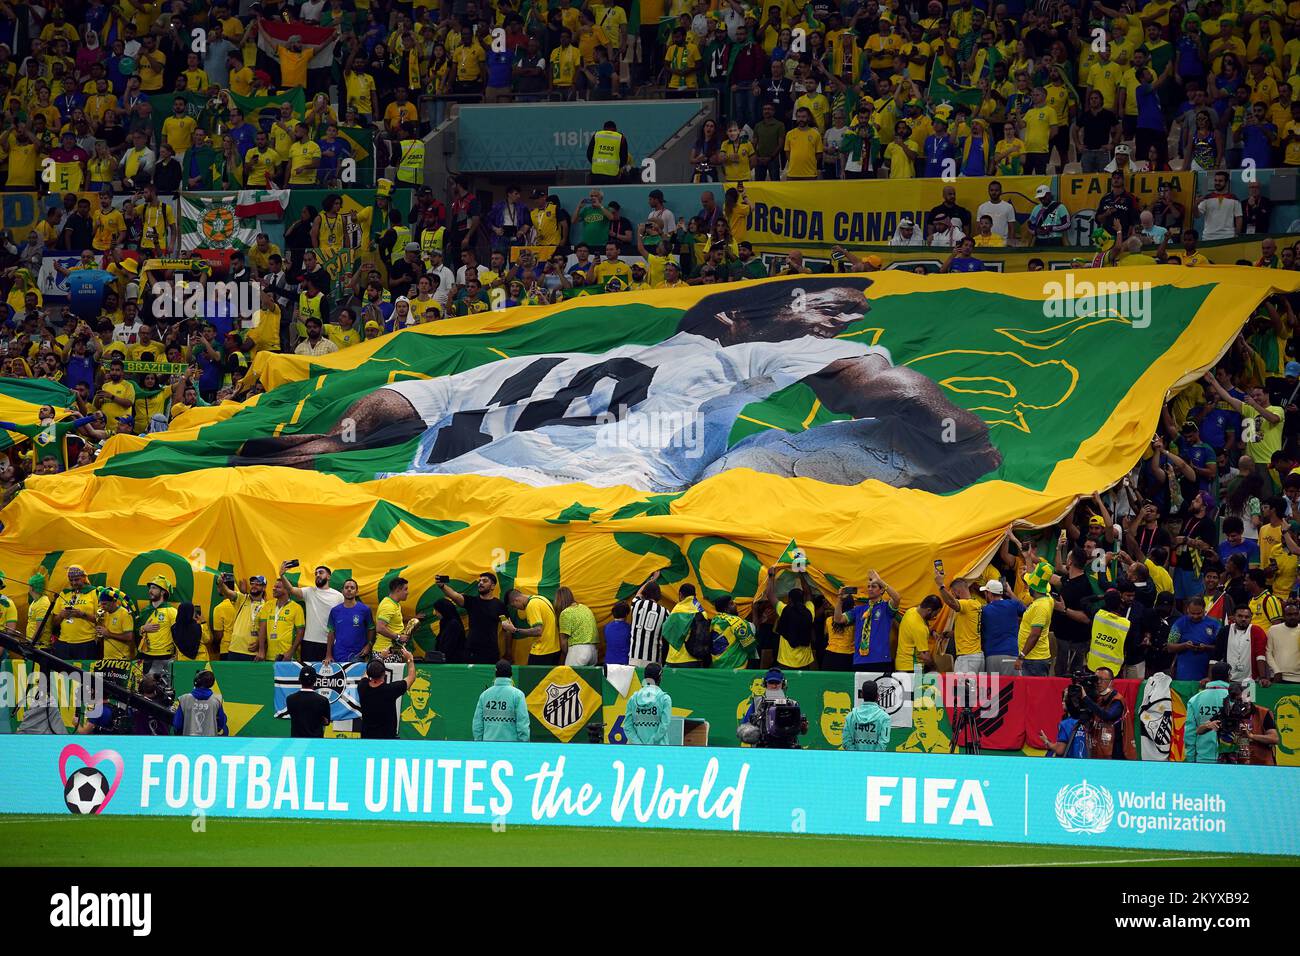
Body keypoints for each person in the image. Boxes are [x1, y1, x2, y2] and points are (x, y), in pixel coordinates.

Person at [231, 279, 1001, 497]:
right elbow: (885, 389)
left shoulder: (534, 364)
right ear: (734, 317)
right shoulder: (736, 354)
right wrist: (965, 443)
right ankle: (953, 489)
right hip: (610, 491)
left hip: (456, 486)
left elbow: (403, 402)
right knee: (766, 454)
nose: (831, 325)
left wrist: (335, 444)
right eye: (821, 310)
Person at [278, 562, 342, 663]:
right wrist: (282, 575)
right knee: (308, 675)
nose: (317, 575)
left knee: (326, 676)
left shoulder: (339, 596)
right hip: (309, 642)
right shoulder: (309, 592)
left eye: (321, 572)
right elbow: (291, 590)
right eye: (316, 573)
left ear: (329, 576)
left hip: (329, 644)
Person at [438, 571, 507, 665]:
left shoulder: (499, 605)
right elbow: (455, 595)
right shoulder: (472, 602)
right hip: (471, 651)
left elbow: (507, 628)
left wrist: (508, 651)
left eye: (485, 581)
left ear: (492, 586)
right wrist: (442, 586)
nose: (481, 583)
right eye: (480, 581)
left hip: (491, 652)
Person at [358, 645, 415, 740]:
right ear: (384, 673)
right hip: (387, 739)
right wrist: (410, 659)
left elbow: (366, 674)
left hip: (367, 739)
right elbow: (411, 677)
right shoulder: (390, 690)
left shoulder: (362, 687)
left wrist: (380, 657)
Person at [472, 660, 531, 742]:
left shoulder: (484, 695)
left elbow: (477, 724)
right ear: (511, 674)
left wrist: (479, 743)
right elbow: (522, 724)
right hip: (511, 748)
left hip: (488, 747)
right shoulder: (518, 695)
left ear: (495, 675)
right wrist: (523, 744)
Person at [1185, 662, 1232, 763]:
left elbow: (1190, 733)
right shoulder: (1236, 699)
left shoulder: (1195, 700)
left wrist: (1190, 760)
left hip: (1203, 760)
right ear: (1229, 676)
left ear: (1211, 676)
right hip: (1230, 760)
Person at [1017, 561, 1055, 675]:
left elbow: (1035, 634)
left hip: (1034, 660)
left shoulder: (1040, 607)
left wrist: (1021, 656)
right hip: (1034, 658)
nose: (1027, 587)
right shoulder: (1047, 598)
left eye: (1029, 585)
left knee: (1033, 692)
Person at [503, 588, 560, 665]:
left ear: (516, 600)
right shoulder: (541, 598)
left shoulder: (531, 605)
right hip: (554, 649)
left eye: (514, 606)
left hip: (542, 652)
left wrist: (514, 630)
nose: (516, 609)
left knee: (531, 676)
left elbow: (538, 631)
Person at [980, 578, 1025, 675]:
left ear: (990, 594)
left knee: (994, 689)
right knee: (1012, 689)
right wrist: (1010, 592)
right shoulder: (1013, 604)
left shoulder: (984, 610)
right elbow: (1026, 611)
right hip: (1011, 653)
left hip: (991, 655)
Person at [623, 661, 673, 745]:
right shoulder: (665, 699)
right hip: (659, 749)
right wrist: (651, 743)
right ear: (660, 677)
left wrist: (639, 744)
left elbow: (627, 726)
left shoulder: (633, 698)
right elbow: (664, 726)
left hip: (636, 749)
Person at [172, 670, 228, 737]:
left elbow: (177, 724)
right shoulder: (217, 700)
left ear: (196, 682)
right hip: (210, 742)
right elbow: (221, 723)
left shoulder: (184, 699)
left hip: (189, 742)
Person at [841, 679, 890, 752]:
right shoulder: (884, 718)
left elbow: (846, 742)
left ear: (861, 695)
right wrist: (872, 758)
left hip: (855, 761)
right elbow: (883, 743)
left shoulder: (850, 716)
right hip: (875, 761)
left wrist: (857, 757)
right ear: (878, 695)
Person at [285, 665, 330, 738]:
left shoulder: (290, 699)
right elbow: (326, 722)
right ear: (315, 680)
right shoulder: (323, 700)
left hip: (296, 742)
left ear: (299, 679)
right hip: (316, 742)